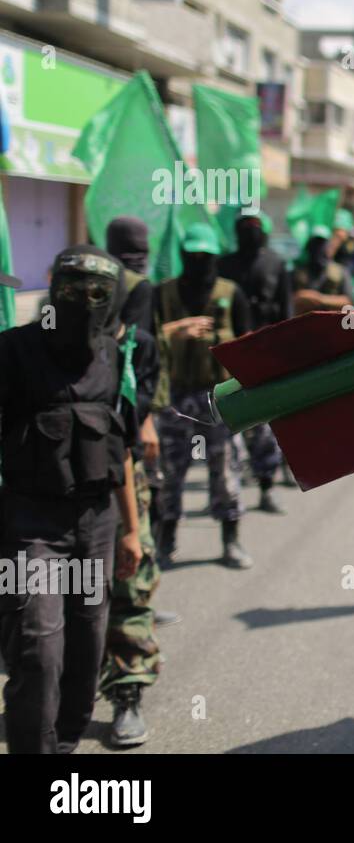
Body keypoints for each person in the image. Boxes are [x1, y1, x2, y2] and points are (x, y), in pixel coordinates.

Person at [0, 246, 144, 753]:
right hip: (31, 528)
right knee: (38, 651)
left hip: (96, 525)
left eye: (98, 291)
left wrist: (131, 529)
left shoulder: (113, 355)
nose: (84, 299)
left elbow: (121, 448)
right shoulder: (12, 352)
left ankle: (63, 747)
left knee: (85, 656)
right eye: (71, 287)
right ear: (52, 287)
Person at [102, 220, 168, 747]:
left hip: (121, 464)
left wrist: (143, 418)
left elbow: (144, 381)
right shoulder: (33, 349)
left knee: (130, 575)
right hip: (62, 475)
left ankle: (127, 693)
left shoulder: (136, 327)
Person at [154, 225, 254, 569]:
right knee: (169, 473)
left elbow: (249, 345)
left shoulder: (232, 293)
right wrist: (176, 331)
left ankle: (230, 539)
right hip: (175, 398)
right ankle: (165, 539)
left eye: (204, 256)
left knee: (225, 470)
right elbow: (143, 342)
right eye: (192, 255)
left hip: (219, 399)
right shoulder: (162, 295)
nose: (198, 261)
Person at [218, 213, 292, 514]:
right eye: (244, 226)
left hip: (265, 353)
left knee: (264, 426)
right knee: (227, 428)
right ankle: (227, 498)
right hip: (228, 356)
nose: (249, 232)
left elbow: (286, 313)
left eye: (255, 226)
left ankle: (266, 487)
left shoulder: (276, 263)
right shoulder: (223, 265)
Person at [293, 224, 354, 315]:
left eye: (322, 244)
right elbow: (289, 299)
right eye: (316, 244)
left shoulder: (340, 271)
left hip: (331, 323)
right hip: (305, 324)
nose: (319, 248)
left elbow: (349, 302)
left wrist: (321, 299)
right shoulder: (299, 271)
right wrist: (303, 297)